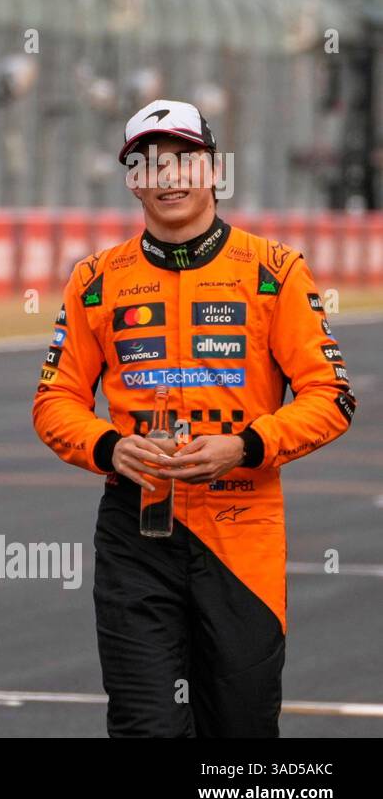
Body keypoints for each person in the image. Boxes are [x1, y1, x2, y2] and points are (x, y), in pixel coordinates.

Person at [32, 98, 355, 737]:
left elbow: (332, 397)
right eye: (150, 163)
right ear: (133, 180)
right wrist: (107, 447)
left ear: (214, 170)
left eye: (184, 160)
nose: (168, 177)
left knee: (240, 730)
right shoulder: (96, 279)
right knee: (145, 725)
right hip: (135, 528)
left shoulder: (274, 270)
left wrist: (248, 444)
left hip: (243, 526)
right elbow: (54, 401)